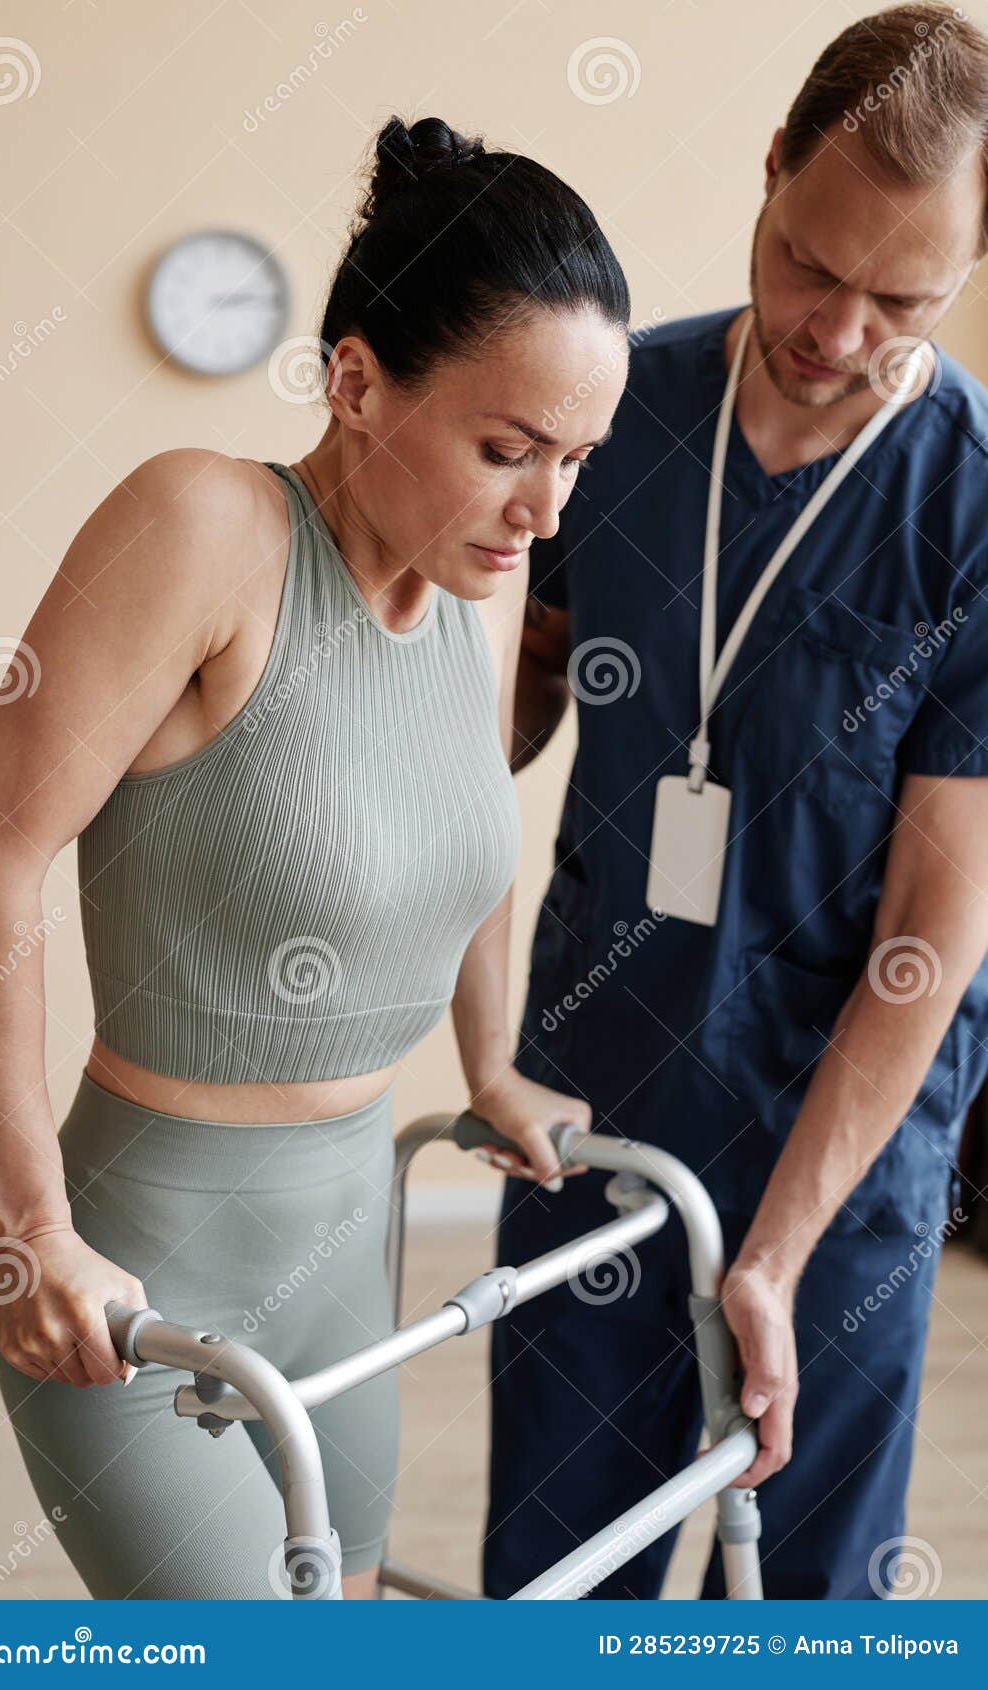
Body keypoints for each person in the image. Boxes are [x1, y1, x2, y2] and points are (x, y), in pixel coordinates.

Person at [0, 114, 628, 1600]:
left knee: (348, 1621)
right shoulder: (204, 527)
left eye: (575, 459)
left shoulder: (474, 580)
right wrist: (28, 1228)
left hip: (346, 1243)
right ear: (357, 382)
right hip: (143, 1258)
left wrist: (489, 1062)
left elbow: (473, 835)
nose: (544, 511)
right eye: (505, 450)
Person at [483, 4, 988, 1600]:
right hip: (602, 1085)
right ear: (769, 172)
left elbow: (935, 921)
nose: (834, 328)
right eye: (806, 261)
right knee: (556, 1570)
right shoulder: (613, 407)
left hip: (839, 1150)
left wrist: (772, 1251)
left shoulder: (966, 505)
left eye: (897, 296)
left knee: (792, 1593)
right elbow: (513, 691)